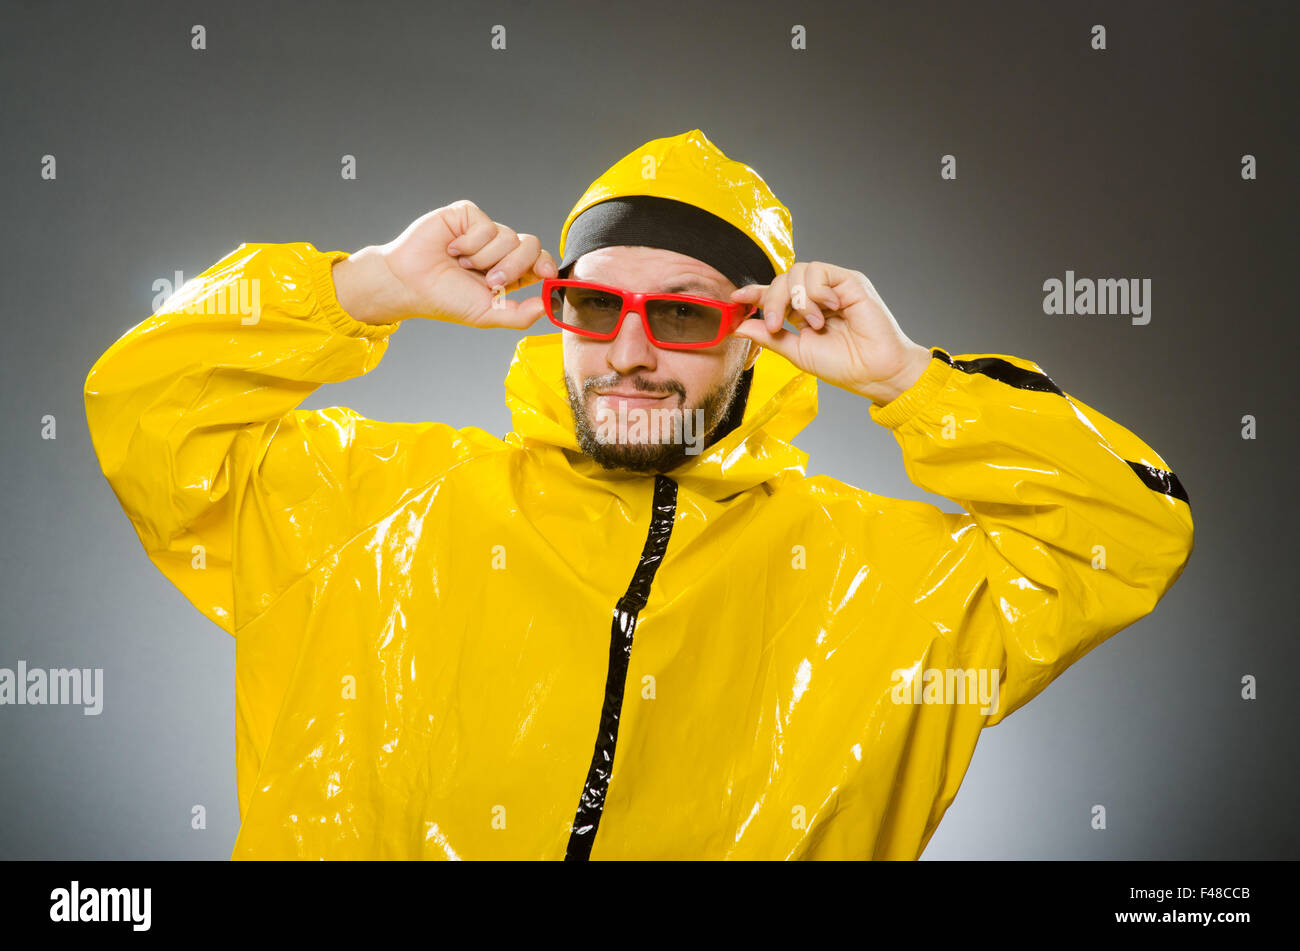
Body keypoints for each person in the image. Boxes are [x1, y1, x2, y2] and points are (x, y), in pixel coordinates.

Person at [83, 128, 1194, 859]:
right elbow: (149, 406)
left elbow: (1123, 530)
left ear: (753, 342)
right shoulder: (373, 506)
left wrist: (909, 380)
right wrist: (365, 285)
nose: (629, 353)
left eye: (682, 314)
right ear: (554, 317)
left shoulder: (881, 579)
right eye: (593, 306)